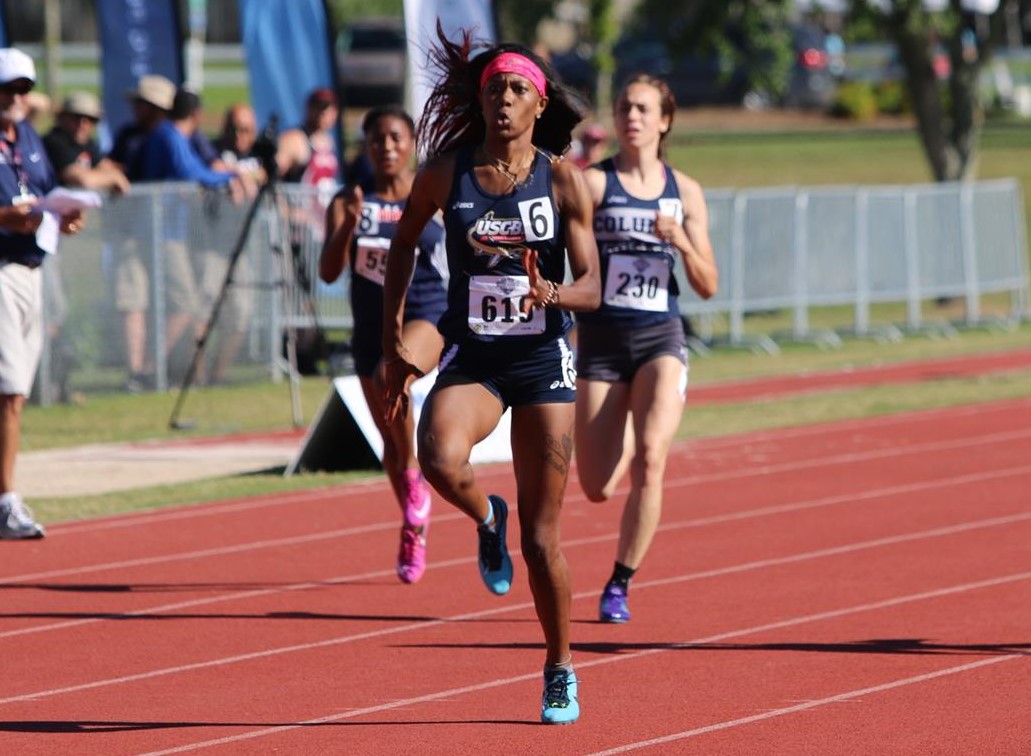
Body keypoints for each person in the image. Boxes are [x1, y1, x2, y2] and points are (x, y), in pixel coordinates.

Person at [381, 30, 600, 724]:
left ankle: (559, 667)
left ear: (539, 104)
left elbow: (593, 287)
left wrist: (551, 293)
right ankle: (485, 515)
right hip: (475, 358)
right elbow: (403, 244)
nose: (503, 99)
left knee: (541, 542)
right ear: (479, 101)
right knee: (438, 457)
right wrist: (392, 340)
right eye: (494, 89)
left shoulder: (561, 180)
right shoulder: (446, 173)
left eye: (516, 90)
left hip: (541, 364)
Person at [575, 74, 718, 624]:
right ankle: (632, 427)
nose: (631, 116)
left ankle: (619, 582)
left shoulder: (685, 192)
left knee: (652, 460)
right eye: (624, 108)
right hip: (602, 343)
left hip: (661, 337)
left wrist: (680, 239)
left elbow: (708, 284)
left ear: (664, 120)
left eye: (642, 108)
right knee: (595, 487)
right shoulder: (594, 185)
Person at [319, 105, 448, 584]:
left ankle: (415, 477)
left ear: (411, 143)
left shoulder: (432, 192)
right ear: (366, 147)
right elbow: (328, 272)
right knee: (390, 443)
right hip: (371, 327)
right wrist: (348, 225)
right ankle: (414, 528)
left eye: (395, 138)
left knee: (389, 376)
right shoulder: (350, 199)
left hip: (426, 315)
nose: (386, 147)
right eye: (377, 140)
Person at [0, 48, 86, 538]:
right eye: (9, 88)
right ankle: (6, 500)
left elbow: (47, 193)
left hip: (32, 269)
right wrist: (9, 218)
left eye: (24, 89)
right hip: (1, 269)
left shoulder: (28, 137)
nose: (17, 97)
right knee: (9, 391)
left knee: (17, 392)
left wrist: (65, 215)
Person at [106, 74, 176, 391]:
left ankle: (153, 366)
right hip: (131, 232)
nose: (136, 109)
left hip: (168, 234)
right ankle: (136, 372)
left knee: (181, 301)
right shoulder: (128, 136)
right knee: (133, 298)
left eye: (142, 104)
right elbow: (111, 165)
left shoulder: (169, 136)